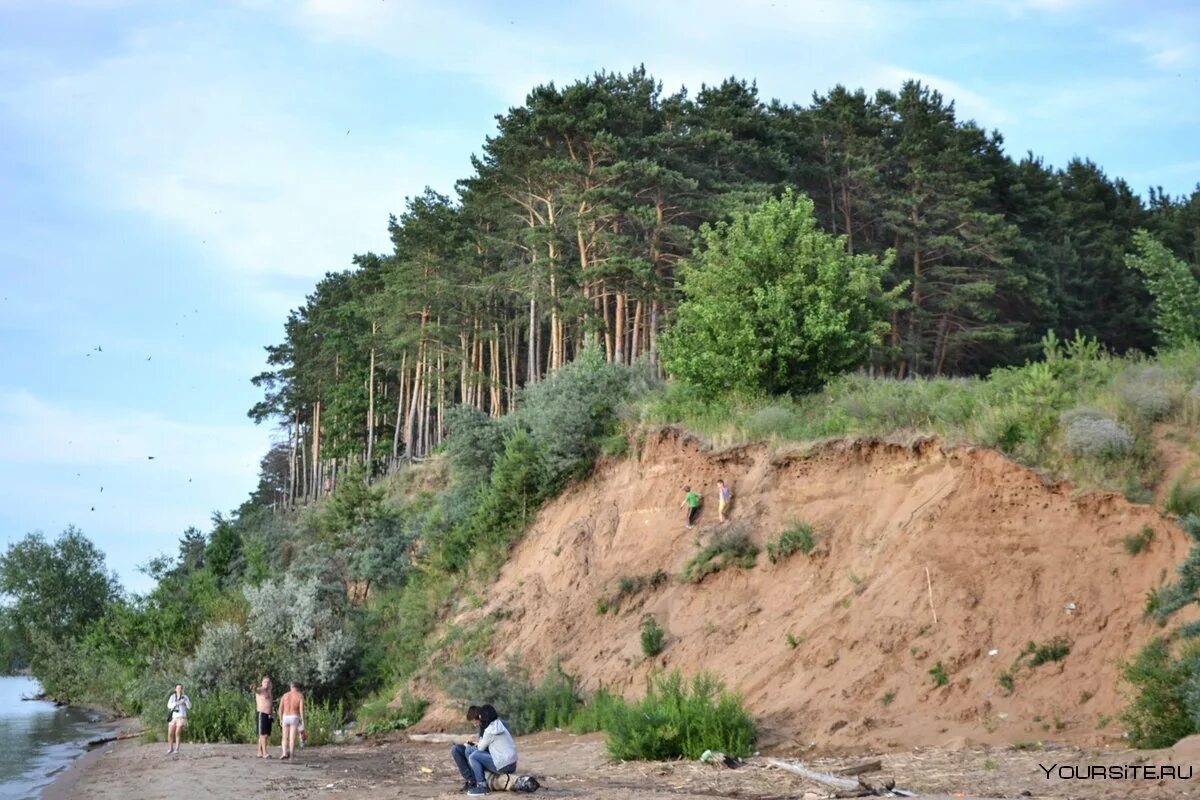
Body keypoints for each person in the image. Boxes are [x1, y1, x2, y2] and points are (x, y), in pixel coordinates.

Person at [466, 704, 517, 795]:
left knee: (473, 756)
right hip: (513, 764)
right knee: (475, 753)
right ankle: (480, 780)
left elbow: (480, 748)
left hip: (505, 766)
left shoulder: (489, 730)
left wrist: (475, 745)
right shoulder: (500, 724)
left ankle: (482, 786)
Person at [450, 706, 483, 792]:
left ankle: (476, 780)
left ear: (478, 717)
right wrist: (473, 742)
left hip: (483, 753)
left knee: (469, 749)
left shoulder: (488, 724)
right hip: (479, 747)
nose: (474, 724)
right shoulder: (481, 726)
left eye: (474, 721)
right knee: (455, 749)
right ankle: (470, 780)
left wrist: (474, 744)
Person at [277, 681, 305, 760]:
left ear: (291, 686)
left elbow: (280, 708)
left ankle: (284, 753)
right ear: (297, 687)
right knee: (292, 738)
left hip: (285, 716)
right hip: (294, 716)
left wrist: (280, 719)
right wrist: (303, 721)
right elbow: (301, 710)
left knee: (284, 737)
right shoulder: (300, 696)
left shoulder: (285, 695)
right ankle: (291, 756)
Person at [165, 683, 191, 755]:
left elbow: (189, 706)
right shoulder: (172, 697)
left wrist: (185, 701)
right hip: (173, 717)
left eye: (180, 688)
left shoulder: (185, 697)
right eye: (178, 688)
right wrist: (176, 703)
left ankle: (177, 749)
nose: (179, 690)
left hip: (181, 716)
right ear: (175, 689)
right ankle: (170, 748)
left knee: (178, 732)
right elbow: (169, 706)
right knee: (170, 733)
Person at [253, 676, 273, 759]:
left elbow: (270, 704)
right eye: (265, 682)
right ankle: (265, 752)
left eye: (268, 682)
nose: (266, 684)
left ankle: (259, 752)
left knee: (265, 735)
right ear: (262, 682)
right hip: (262, 714)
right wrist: (253, 688)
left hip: (268, 715)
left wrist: (272, 714)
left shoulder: (269, 692)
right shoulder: (260, 690)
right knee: (263, 734)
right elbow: (255, 690)